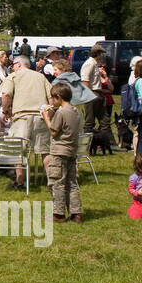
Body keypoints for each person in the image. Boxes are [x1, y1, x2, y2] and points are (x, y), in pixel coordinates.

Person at [0, 54, 51, 187]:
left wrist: (5, 111)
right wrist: (49, 113)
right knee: (45, 151)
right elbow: (52, 97)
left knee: (18, 151)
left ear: (19, 65)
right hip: (41, 117)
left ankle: (20, 180)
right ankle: (53, 180)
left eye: (13, 66)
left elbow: (5, 95)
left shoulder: (13, 76)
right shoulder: (40, 76)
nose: (12, 68)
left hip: (21, 118)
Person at [42, 81, 82, 222]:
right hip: (71, 151)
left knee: (57, 182)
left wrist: (46, 117)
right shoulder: (76, 111)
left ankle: (58, 214)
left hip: (59, 151)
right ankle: (76, 212)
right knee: (72, 182)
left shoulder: (61, 112)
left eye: (53, 98)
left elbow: (54, 131)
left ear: (59, 96)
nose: (52, 100)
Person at [78, 45, 106, 133]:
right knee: (89, 122)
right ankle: (88, 143)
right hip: (92, 94)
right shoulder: (89, 63)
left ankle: (108, 142)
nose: (102, 56)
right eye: (102, 54)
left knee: (104, 121)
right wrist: (89, 96)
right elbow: (85, 81)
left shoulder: (94, 63)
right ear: (98, 53)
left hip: (97, 93)